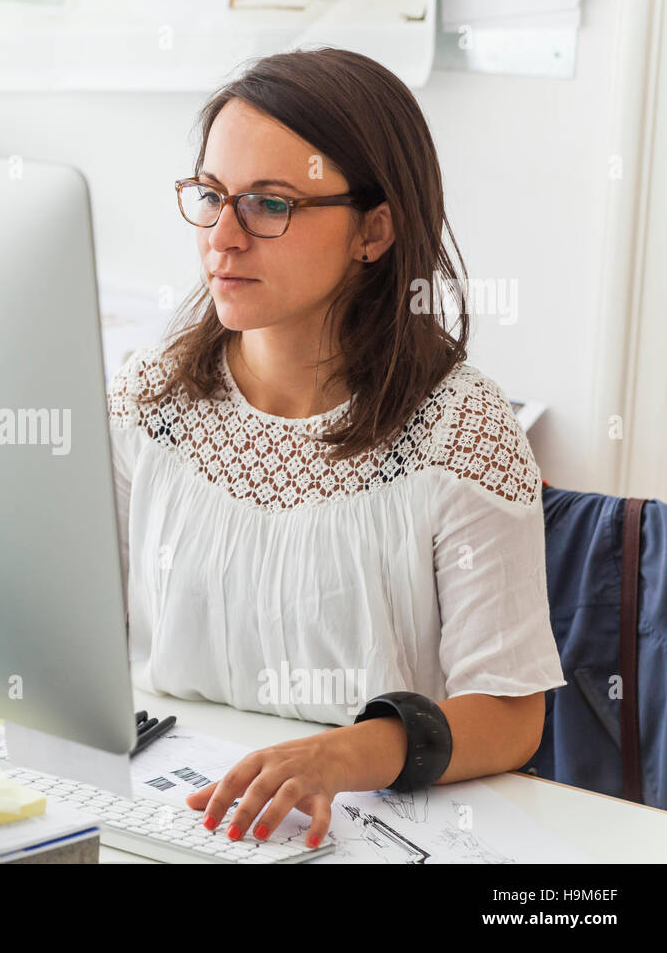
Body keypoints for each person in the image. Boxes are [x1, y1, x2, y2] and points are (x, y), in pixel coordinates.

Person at [108, 48, 565, 849]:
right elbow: (62, 611)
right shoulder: (151, 398)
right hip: (178, 807)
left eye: (269, 205)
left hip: (376, 819)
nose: (224, 236)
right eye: (210, 196)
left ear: (375, 229)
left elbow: (512, 714)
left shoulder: (460, 426)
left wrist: (345, 754)